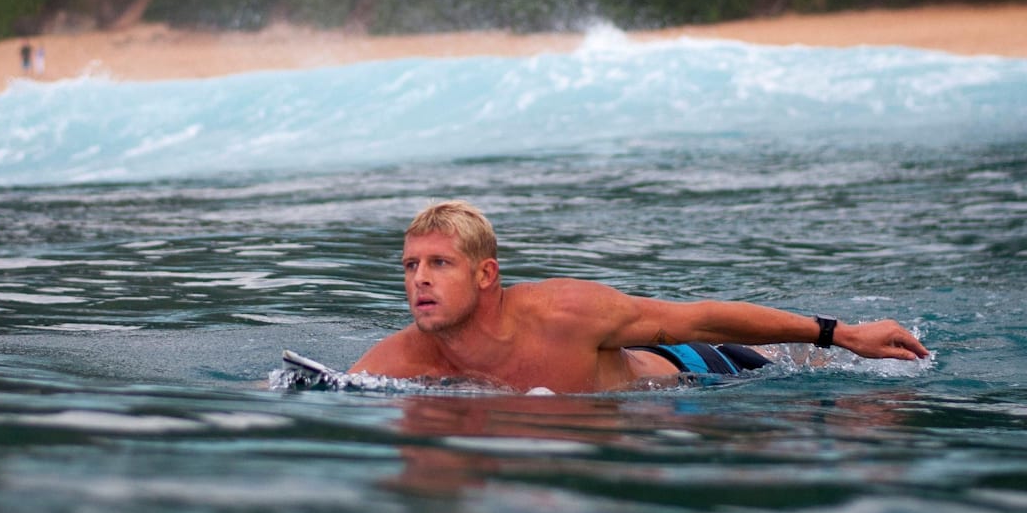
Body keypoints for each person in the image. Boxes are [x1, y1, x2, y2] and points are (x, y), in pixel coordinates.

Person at [349, 200, 930, 393]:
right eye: (410, 266)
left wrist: (842, 333)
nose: (419, 279)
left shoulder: (567, 313)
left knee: (824, 391)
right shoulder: (402, 360)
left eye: (439, 264)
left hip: (699, 378)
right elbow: (306, 388)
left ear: (485, 275)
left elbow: (696, 320)